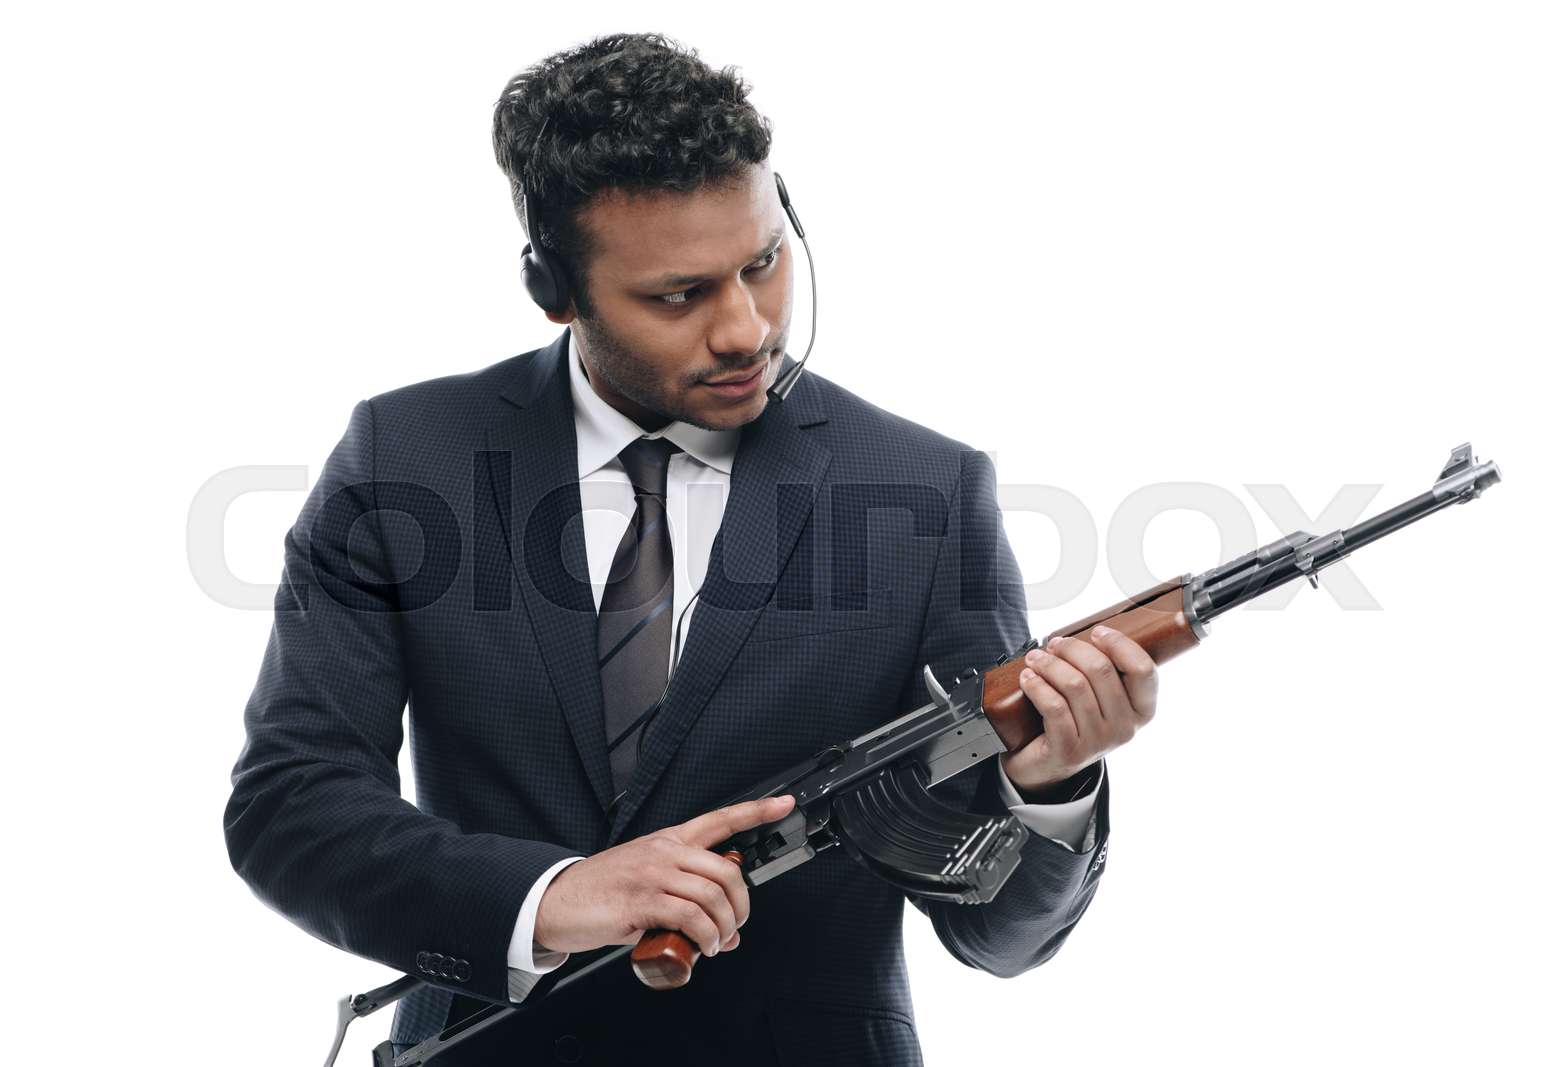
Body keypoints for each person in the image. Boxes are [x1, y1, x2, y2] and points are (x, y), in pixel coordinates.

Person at [224, 32, 1159, 1066]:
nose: (745, 328)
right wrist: (554, 896)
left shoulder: (926, 492)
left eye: (763, 262)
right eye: (678, 295)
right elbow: (291, 805)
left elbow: (998, 933)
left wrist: (1053, 784)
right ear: (555, 287)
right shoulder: (404, 456)